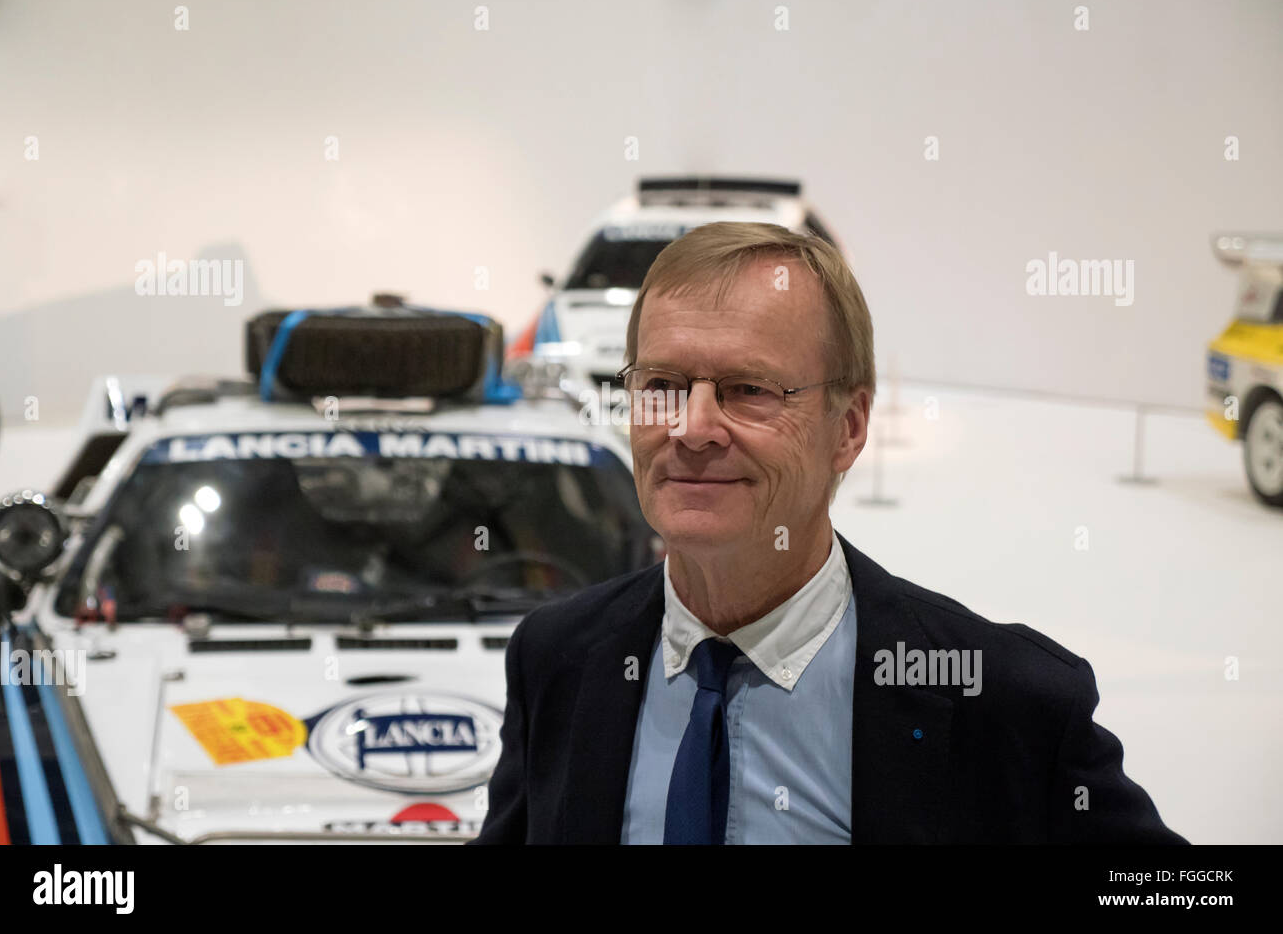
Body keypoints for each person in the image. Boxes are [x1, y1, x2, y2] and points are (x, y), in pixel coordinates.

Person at [471, 222, 1185, 844]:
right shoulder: (557, 659)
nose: (691, 428)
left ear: (848, 428)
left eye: (749, 390)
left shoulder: (1003, 700)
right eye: (663, 385)